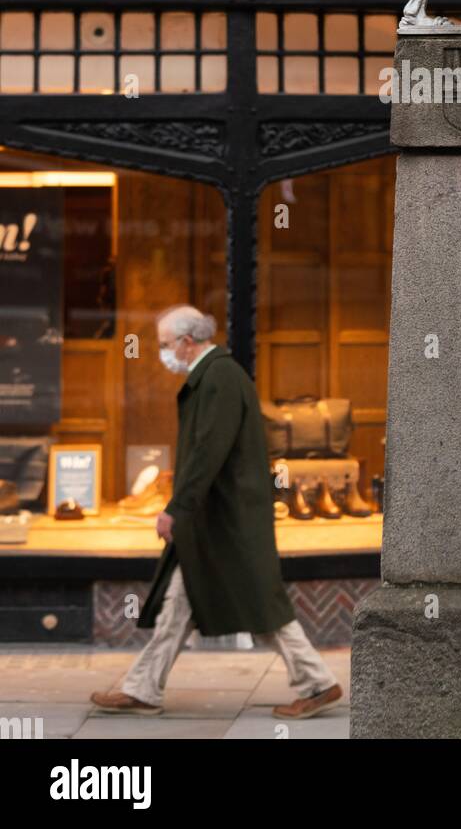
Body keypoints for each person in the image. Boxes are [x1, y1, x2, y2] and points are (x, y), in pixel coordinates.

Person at [91, 305, 342, 720]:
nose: (162, 352)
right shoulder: (215, 377)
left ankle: (317, 683)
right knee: (178, 604)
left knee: (263, 606)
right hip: (216, 520)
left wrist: (177, 508)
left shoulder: (219, 379)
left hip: (226, 521)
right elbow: (204, 452)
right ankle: (143, 690)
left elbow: (207, 451)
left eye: (166, 344)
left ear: (188, 343)